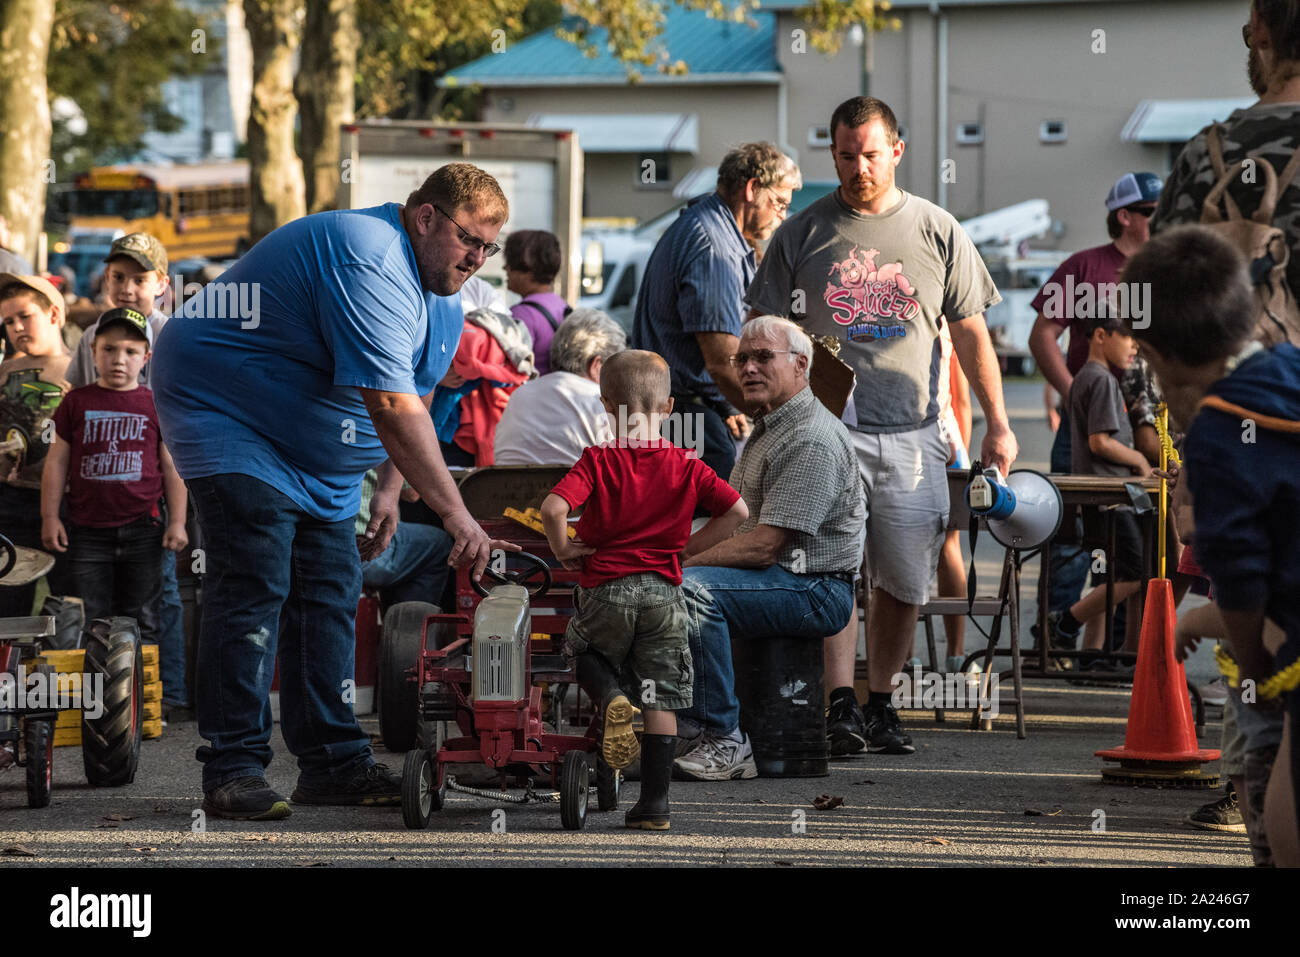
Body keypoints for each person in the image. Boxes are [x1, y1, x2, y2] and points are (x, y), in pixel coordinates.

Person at [152, 162, 520, 822]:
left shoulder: (444, 297)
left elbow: (420, 387)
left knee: (329, 583)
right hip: (224, 405)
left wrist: (387, 490)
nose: (478, 257)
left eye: (490, 248)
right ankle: (233, 767)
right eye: (470, 239)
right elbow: (385, 400)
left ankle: (332, 762)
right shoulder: (369, 252)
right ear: (425, 216)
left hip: (315, 443)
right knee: (256, 573)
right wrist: (456, 513)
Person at [746, 96, 1017, 756]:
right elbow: (759, 332)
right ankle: (840, 703)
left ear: (896, 150)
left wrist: (997, 423)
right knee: (830, 568)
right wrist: (759, 404)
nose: (858, 166)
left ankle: (883, 700)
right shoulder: (801, 233)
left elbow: (972, 333)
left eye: (870, 153)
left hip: (912, 433)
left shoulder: (936, 228)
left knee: (902, 577)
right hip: (824, 432)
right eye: (844, 155)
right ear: (832, 153)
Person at [1150, 0, 1300, 860]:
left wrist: (1199, 478)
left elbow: (1172, 335)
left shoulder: (1209, 158)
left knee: (1271, 724)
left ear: (1262, 33)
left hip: (1246, 448)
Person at [1122, 224, 1300, 868]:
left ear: (1154, 352)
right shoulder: (1289, 366)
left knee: (1286, 768)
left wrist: (1251, 662)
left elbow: (1239, 570)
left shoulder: (1221, 434)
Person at [540, 350, 747, 827]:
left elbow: (553, 508)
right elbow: (737, 513)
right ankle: (654, 807)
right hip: (664, 594)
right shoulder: (687, 464)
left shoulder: (597, 460)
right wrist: (689, 550)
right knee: (663, 697)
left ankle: (611, 695)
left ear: (606, 405)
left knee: (584, 650)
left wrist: (565, 547)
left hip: (606, 588)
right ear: (669, 408)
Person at [672, 317, 865, 780]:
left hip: (816, 589)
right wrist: (670, 556)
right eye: (742, 359)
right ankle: (683, 727)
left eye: (763, 358)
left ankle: (726, 739)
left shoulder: (811, 438)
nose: (748, 369)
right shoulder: (773, 423)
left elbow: (763, 547)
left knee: (689, 592)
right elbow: (735, 522)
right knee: (662, 580)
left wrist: (684, 565)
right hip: (784, 578)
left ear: (801, 365)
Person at [1028, 173, 1165, 660]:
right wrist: (1074, 398)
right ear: (1125, 215)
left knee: (1137, 542)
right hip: (1093, 420)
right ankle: (1055, 637)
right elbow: (1043, 334)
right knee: (1071, 538)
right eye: (1151, 211)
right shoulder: (1086, 266)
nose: (1160, 218)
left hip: (1146, 427)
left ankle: (1113, 655)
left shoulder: (1168, 270)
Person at [64, 234, 188, 712]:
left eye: (140, 279)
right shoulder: (95, 334)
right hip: (101, 493)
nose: (127, 288)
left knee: (163, 596)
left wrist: (178, 511)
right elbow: (77, 405)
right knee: (98, 602)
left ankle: (165, 693)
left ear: (161, 284)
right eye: (118, 277)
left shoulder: (174, 335)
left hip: (161, 484)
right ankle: (106, 698)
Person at [632, 142, 801, 480]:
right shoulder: (714, 248)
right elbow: (723, 363)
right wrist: (782, 423)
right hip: (682, 416)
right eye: (779, 203)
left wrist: (726, 404)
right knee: (717, 526)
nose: (782, 215)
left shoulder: (704, 225)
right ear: (752, 189)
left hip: (676, 413)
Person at [40, 308, 188, 641]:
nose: (119, 359)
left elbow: (171, 464)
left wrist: (177, 521)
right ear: (92, 350)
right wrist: (50, 517)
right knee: (88, 618)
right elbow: (56, 462)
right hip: (86, 532)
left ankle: (138, 692)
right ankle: (97, 693)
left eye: (131, 351)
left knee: (143, 619)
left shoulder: (154, 403)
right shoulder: (76, 402)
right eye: (109, 349)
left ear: (146, 357)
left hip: (143, 531)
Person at [1039, 313, 1152, 666]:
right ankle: (1065, 621)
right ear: (1101, 335)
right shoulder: (1102, 381)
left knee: (1111, 576)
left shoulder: (1085, 379)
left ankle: (1092, 655)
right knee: (1135, 575)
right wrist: (1140, 460)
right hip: (1111, 498)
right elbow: (1100, 442)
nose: (1134, 345)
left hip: (1100, 498)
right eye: (1128, 337)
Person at [0, 275, 72, 617]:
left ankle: (64, 666)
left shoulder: (78, 368)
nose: (16, 327)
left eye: (24, 316)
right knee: (9, 592)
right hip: (11, 497)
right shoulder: (6, 370)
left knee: (67, 597)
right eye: (8, 321)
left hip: (66, 499)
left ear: (54, 315)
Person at [494, 308, 625, 465]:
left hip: (507, 488)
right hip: (578, 489)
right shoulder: (602, 404)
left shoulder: (519, 395)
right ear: (596, 366)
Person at [356, 469, 453, 609]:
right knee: (438, 544)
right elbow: (412, 493)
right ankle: (408, 627)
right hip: (359, 549)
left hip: (323, 539)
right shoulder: (383, 446)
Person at [505, 230, 570, 377]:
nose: (505, 269)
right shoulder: (561, 306)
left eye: (509, 262)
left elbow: (510, 373)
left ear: (527, 267)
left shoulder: (522, 315)